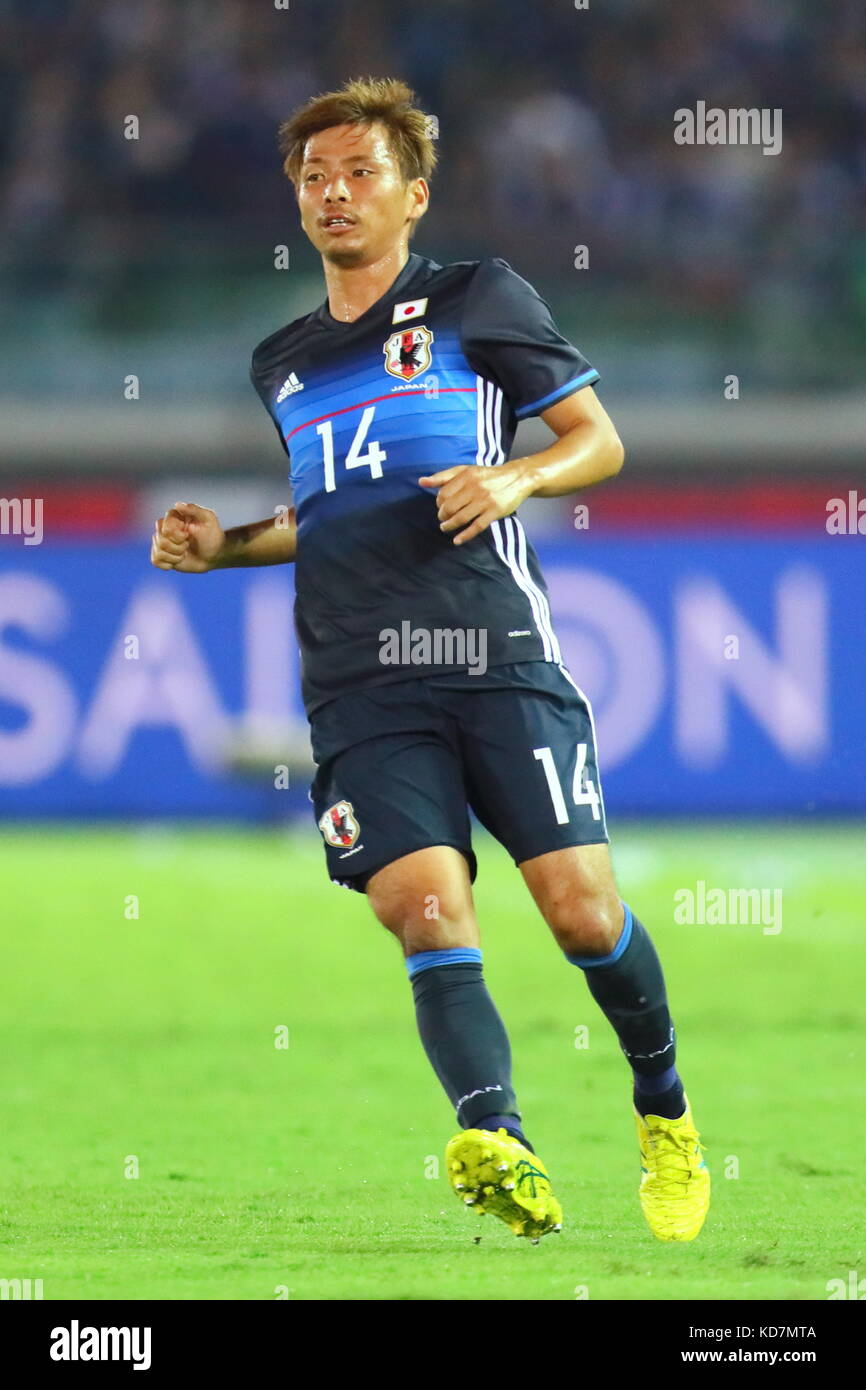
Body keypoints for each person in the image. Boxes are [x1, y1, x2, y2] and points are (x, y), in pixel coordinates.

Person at [151, 76, 709, 1244]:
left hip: (493, 650)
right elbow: (334, 506)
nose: (332, 193)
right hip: (357, 679)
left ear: (413, 192)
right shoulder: (284, 360)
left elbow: (596, 440)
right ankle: (497, 1136)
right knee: (422, 906)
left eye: (358, 172)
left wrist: (513, 475)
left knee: (577, 911)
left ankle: (661, 1103)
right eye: (312, 177)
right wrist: (228, 545)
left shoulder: (474, 298)